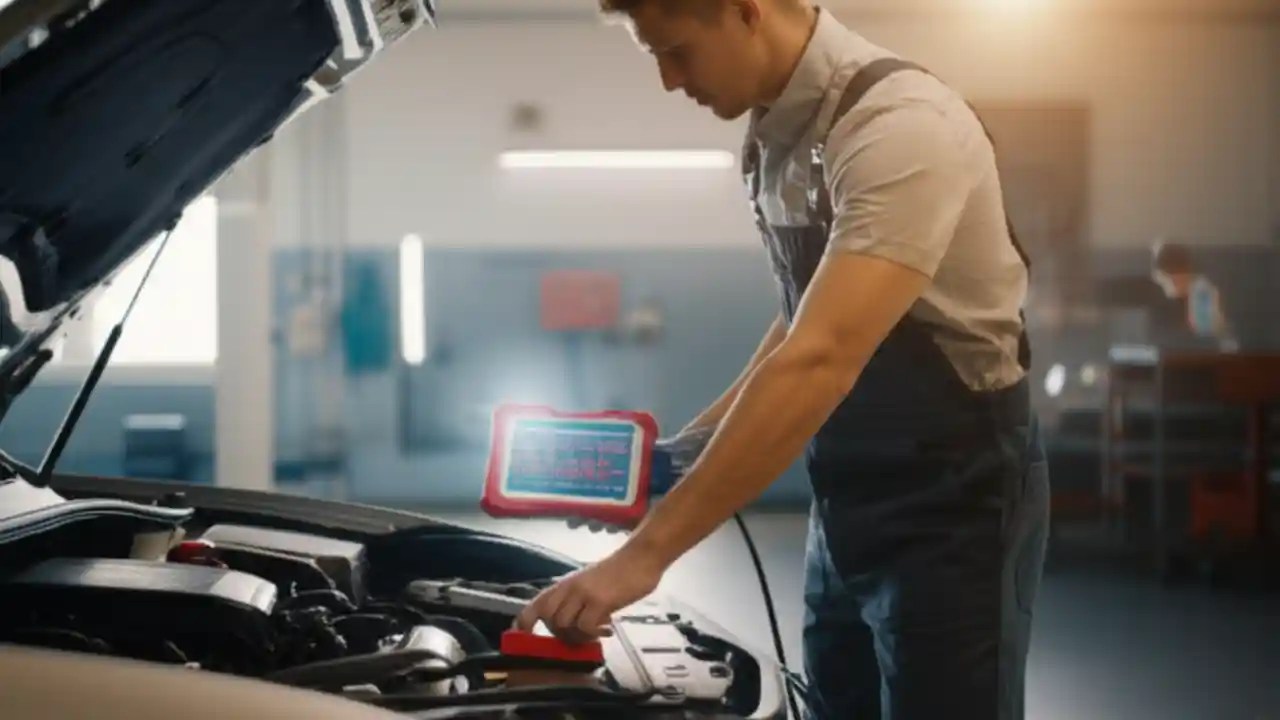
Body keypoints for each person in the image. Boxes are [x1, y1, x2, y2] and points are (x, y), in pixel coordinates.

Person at [515, 2, 1050, 718]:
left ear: (745, 10)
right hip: (846, 497)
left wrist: (644, 558)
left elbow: (823, 357)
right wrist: (682, 460)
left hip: (955, 502)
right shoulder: (777, 138)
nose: (670, 81)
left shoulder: (902, 128)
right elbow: (807, 319)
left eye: (675, 52)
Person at [1149, 240, 1238, 351]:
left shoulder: (1202, 291)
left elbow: (1216, 337)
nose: (1172, 281)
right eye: (1164, 276)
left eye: (1175, 275)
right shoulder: (1155, 295)